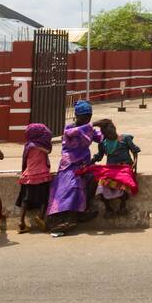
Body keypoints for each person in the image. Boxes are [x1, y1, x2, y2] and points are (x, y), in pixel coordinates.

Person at [46, 100, 102, 237]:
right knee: (72, 186)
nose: (88, 119)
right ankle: (66, 218)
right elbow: (75, 132)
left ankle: (83, 210)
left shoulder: (88, 129)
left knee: (95, 178)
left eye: (90, 116)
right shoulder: (69, 129)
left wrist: (110, 132)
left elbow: (100, 137)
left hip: (84, 164)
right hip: (69, 165)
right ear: (77, 116)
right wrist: (93, 124)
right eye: (85, 117)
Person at [91, 119, 140, 215]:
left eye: (110, 132)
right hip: (111, 169)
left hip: (124, 167)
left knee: (124, 180)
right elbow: (99, 156)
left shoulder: (125, 138)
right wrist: (90, 162)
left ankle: (123, 205)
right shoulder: (103, 143)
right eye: (106, 134)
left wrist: (134, 163)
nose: (109, 135)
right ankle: (108, 208)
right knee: (101, 183)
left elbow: (135, 150)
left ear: (114, 128)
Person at [15, 123, 54, 233]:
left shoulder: (28, 145)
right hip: (42, 175)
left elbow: (24, 160)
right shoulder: (41, 146)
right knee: (44, 198)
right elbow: (49, 151)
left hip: (29, 175)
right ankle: (40, 217)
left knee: (25, 199)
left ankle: (21, 221)